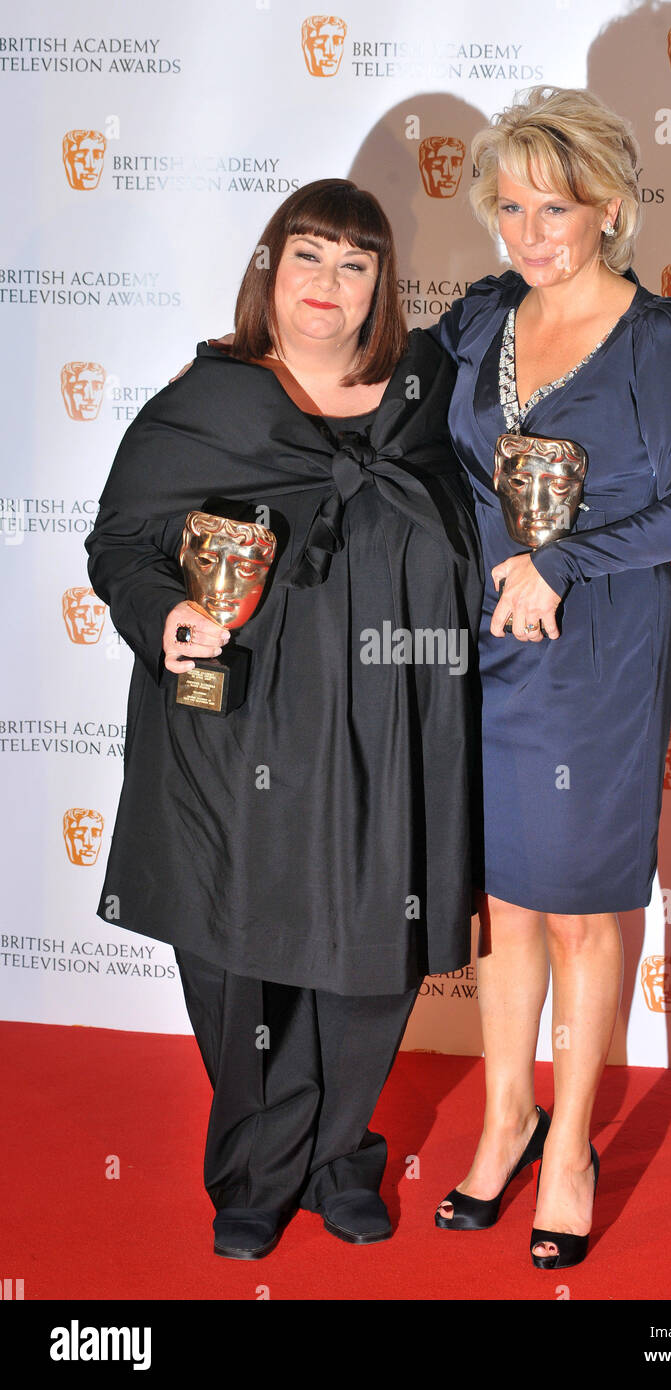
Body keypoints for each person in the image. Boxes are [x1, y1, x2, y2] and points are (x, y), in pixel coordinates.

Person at [85, 180, 483, 1259]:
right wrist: (161, 608)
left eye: (355, 266)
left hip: (383, 723)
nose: (327, 285)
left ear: (381, 288)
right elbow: (119, 542)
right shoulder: (212, 400)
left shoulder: (425, 391)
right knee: (233, 951)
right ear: (271, 268)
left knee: (371, 948)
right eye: (307, 257)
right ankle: (256, 1169)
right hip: (237, 729)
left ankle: (338, 1150)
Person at [428, 87, 671, 1268]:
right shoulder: (479, 316)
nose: (531, 233)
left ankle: (570, 1151)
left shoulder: (663, 337)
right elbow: (416, 441)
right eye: (509, 207)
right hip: (484, 640)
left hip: (598, 645)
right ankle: (506, 1119)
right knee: (504, 899)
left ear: (607, 206)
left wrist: (563, 561)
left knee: (585, 910)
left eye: (554, 207)